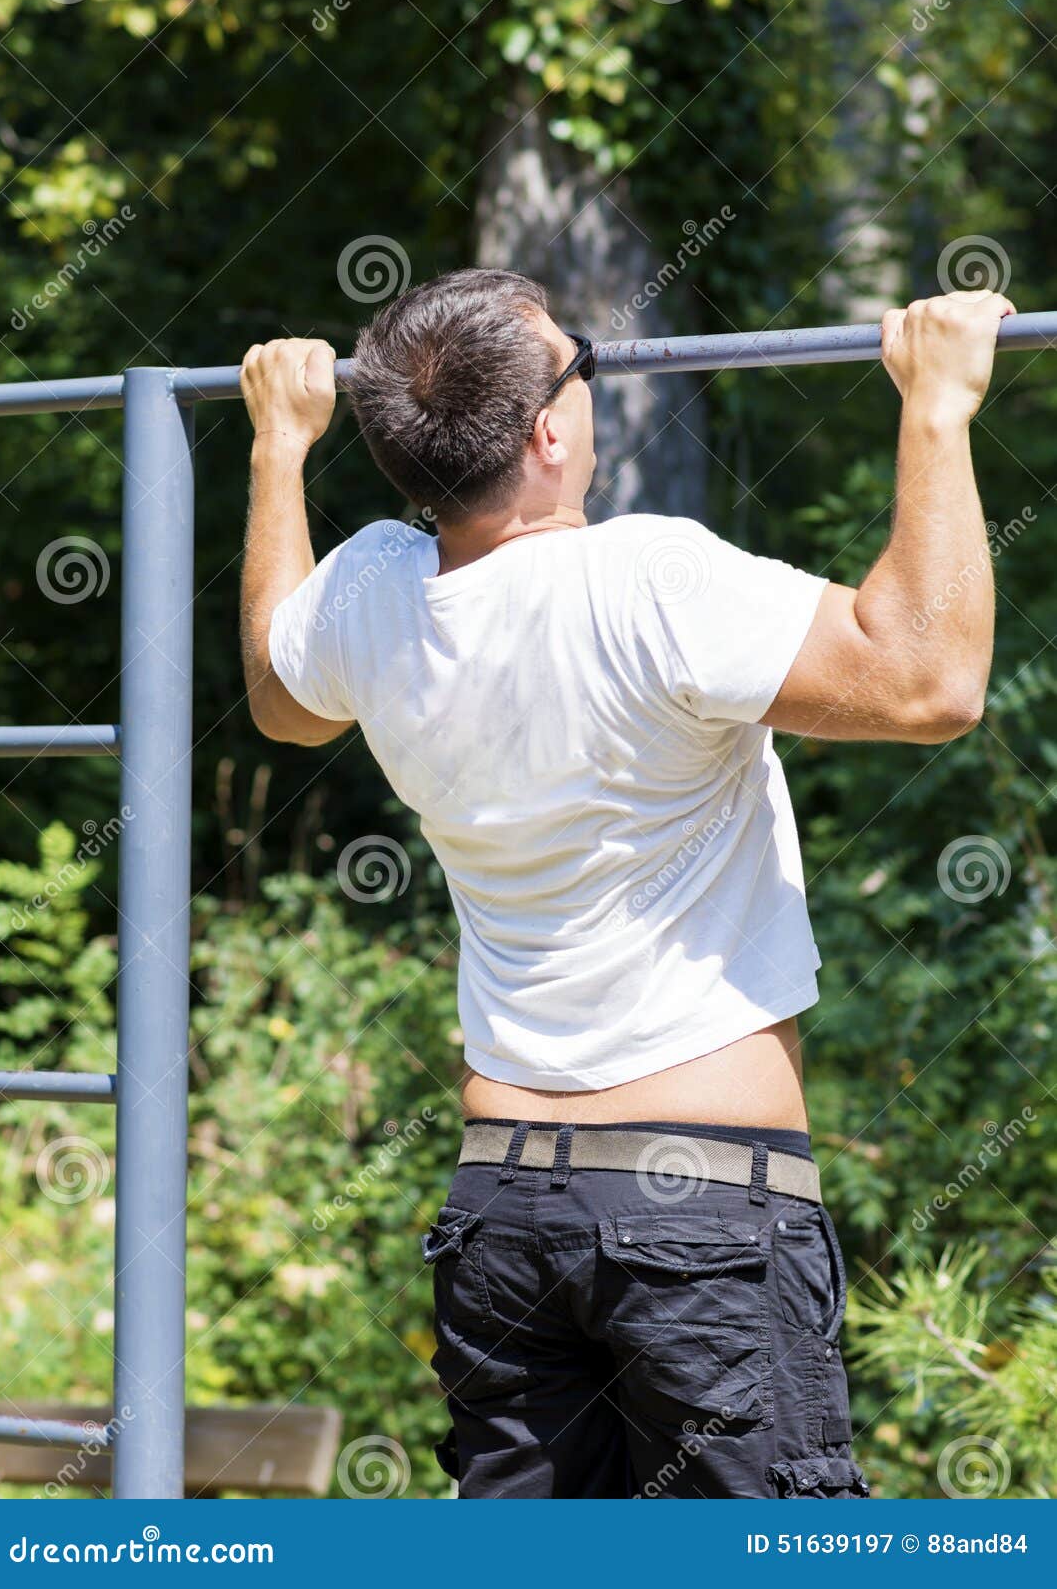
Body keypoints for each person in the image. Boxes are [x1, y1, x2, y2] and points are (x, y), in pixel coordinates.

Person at [239, 269, 1012, 1499]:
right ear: (550, 430)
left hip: (500, 1211)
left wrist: (280, 448)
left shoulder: (373, 589)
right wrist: (935, 403)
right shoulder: (647, 578)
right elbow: (927, 683)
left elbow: (280, 700)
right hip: (697, 1214)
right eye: (582, 361)